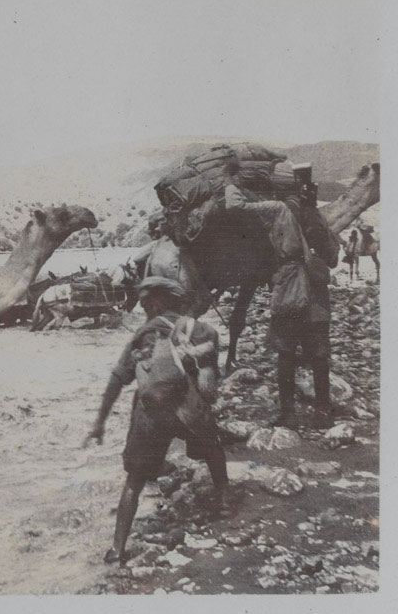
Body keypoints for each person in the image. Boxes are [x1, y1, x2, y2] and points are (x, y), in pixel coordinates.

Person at [84, 276, 230, 565]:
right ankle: (225, 502)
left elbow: (117, 378)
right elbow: (210, 382)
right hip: (189, 411)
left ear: (154, 302)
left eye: (144, 301)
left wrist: (99, 423)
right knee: (213, 447)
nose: (142, 306)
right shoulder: (201, 329)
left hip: (152, 414)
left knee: (135, 480)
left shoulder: (144, 334)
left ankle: (118, 548)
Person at [222, 169, 334, 428]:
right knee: (319, 354)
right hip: (316, 294)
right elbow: (332, 255)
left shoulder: (275, 208)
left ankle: (288, 415)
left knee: (285, 352)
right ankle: (323, 412)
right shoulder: (316, 216)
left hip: (288, 289)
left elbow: (234, 206)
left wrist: (230, 182)